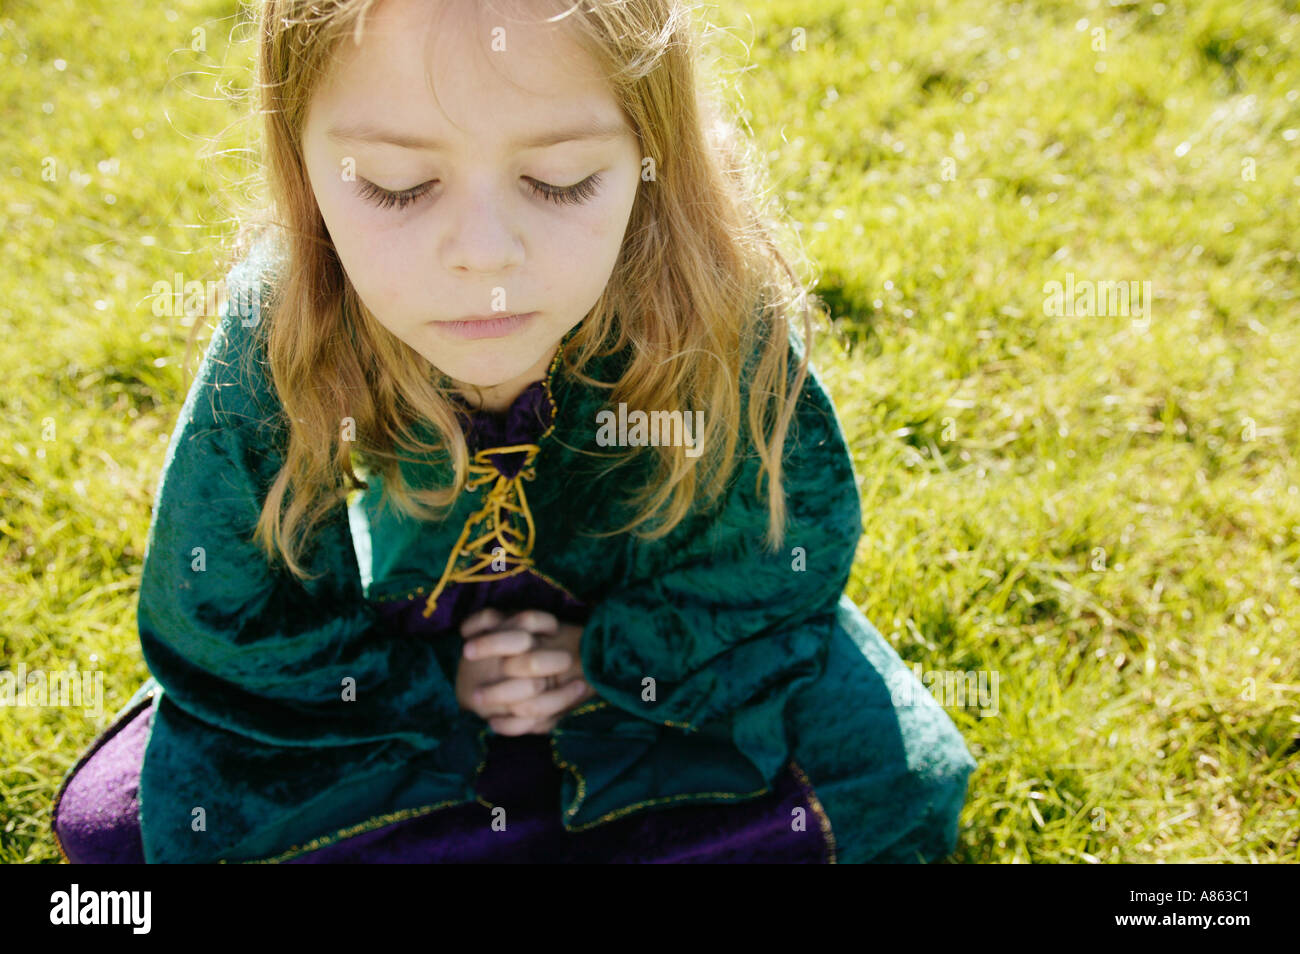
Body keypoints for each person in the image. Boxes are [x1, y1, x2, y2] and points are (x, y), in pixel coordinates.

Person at [52, 0, 977, 864]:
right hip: (409, 632)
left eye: (561, 181)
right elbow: (225, 618)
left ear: (655, 156)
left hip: (645, 617)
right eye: (398, 186)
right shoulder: (284, 312)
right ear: (301, 164)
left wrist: (608, 661)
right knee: (113, 825)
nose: (486, 254)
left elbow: (780, 557)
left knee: (891, 773)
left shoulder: (716, 293)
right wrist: (429, 684)